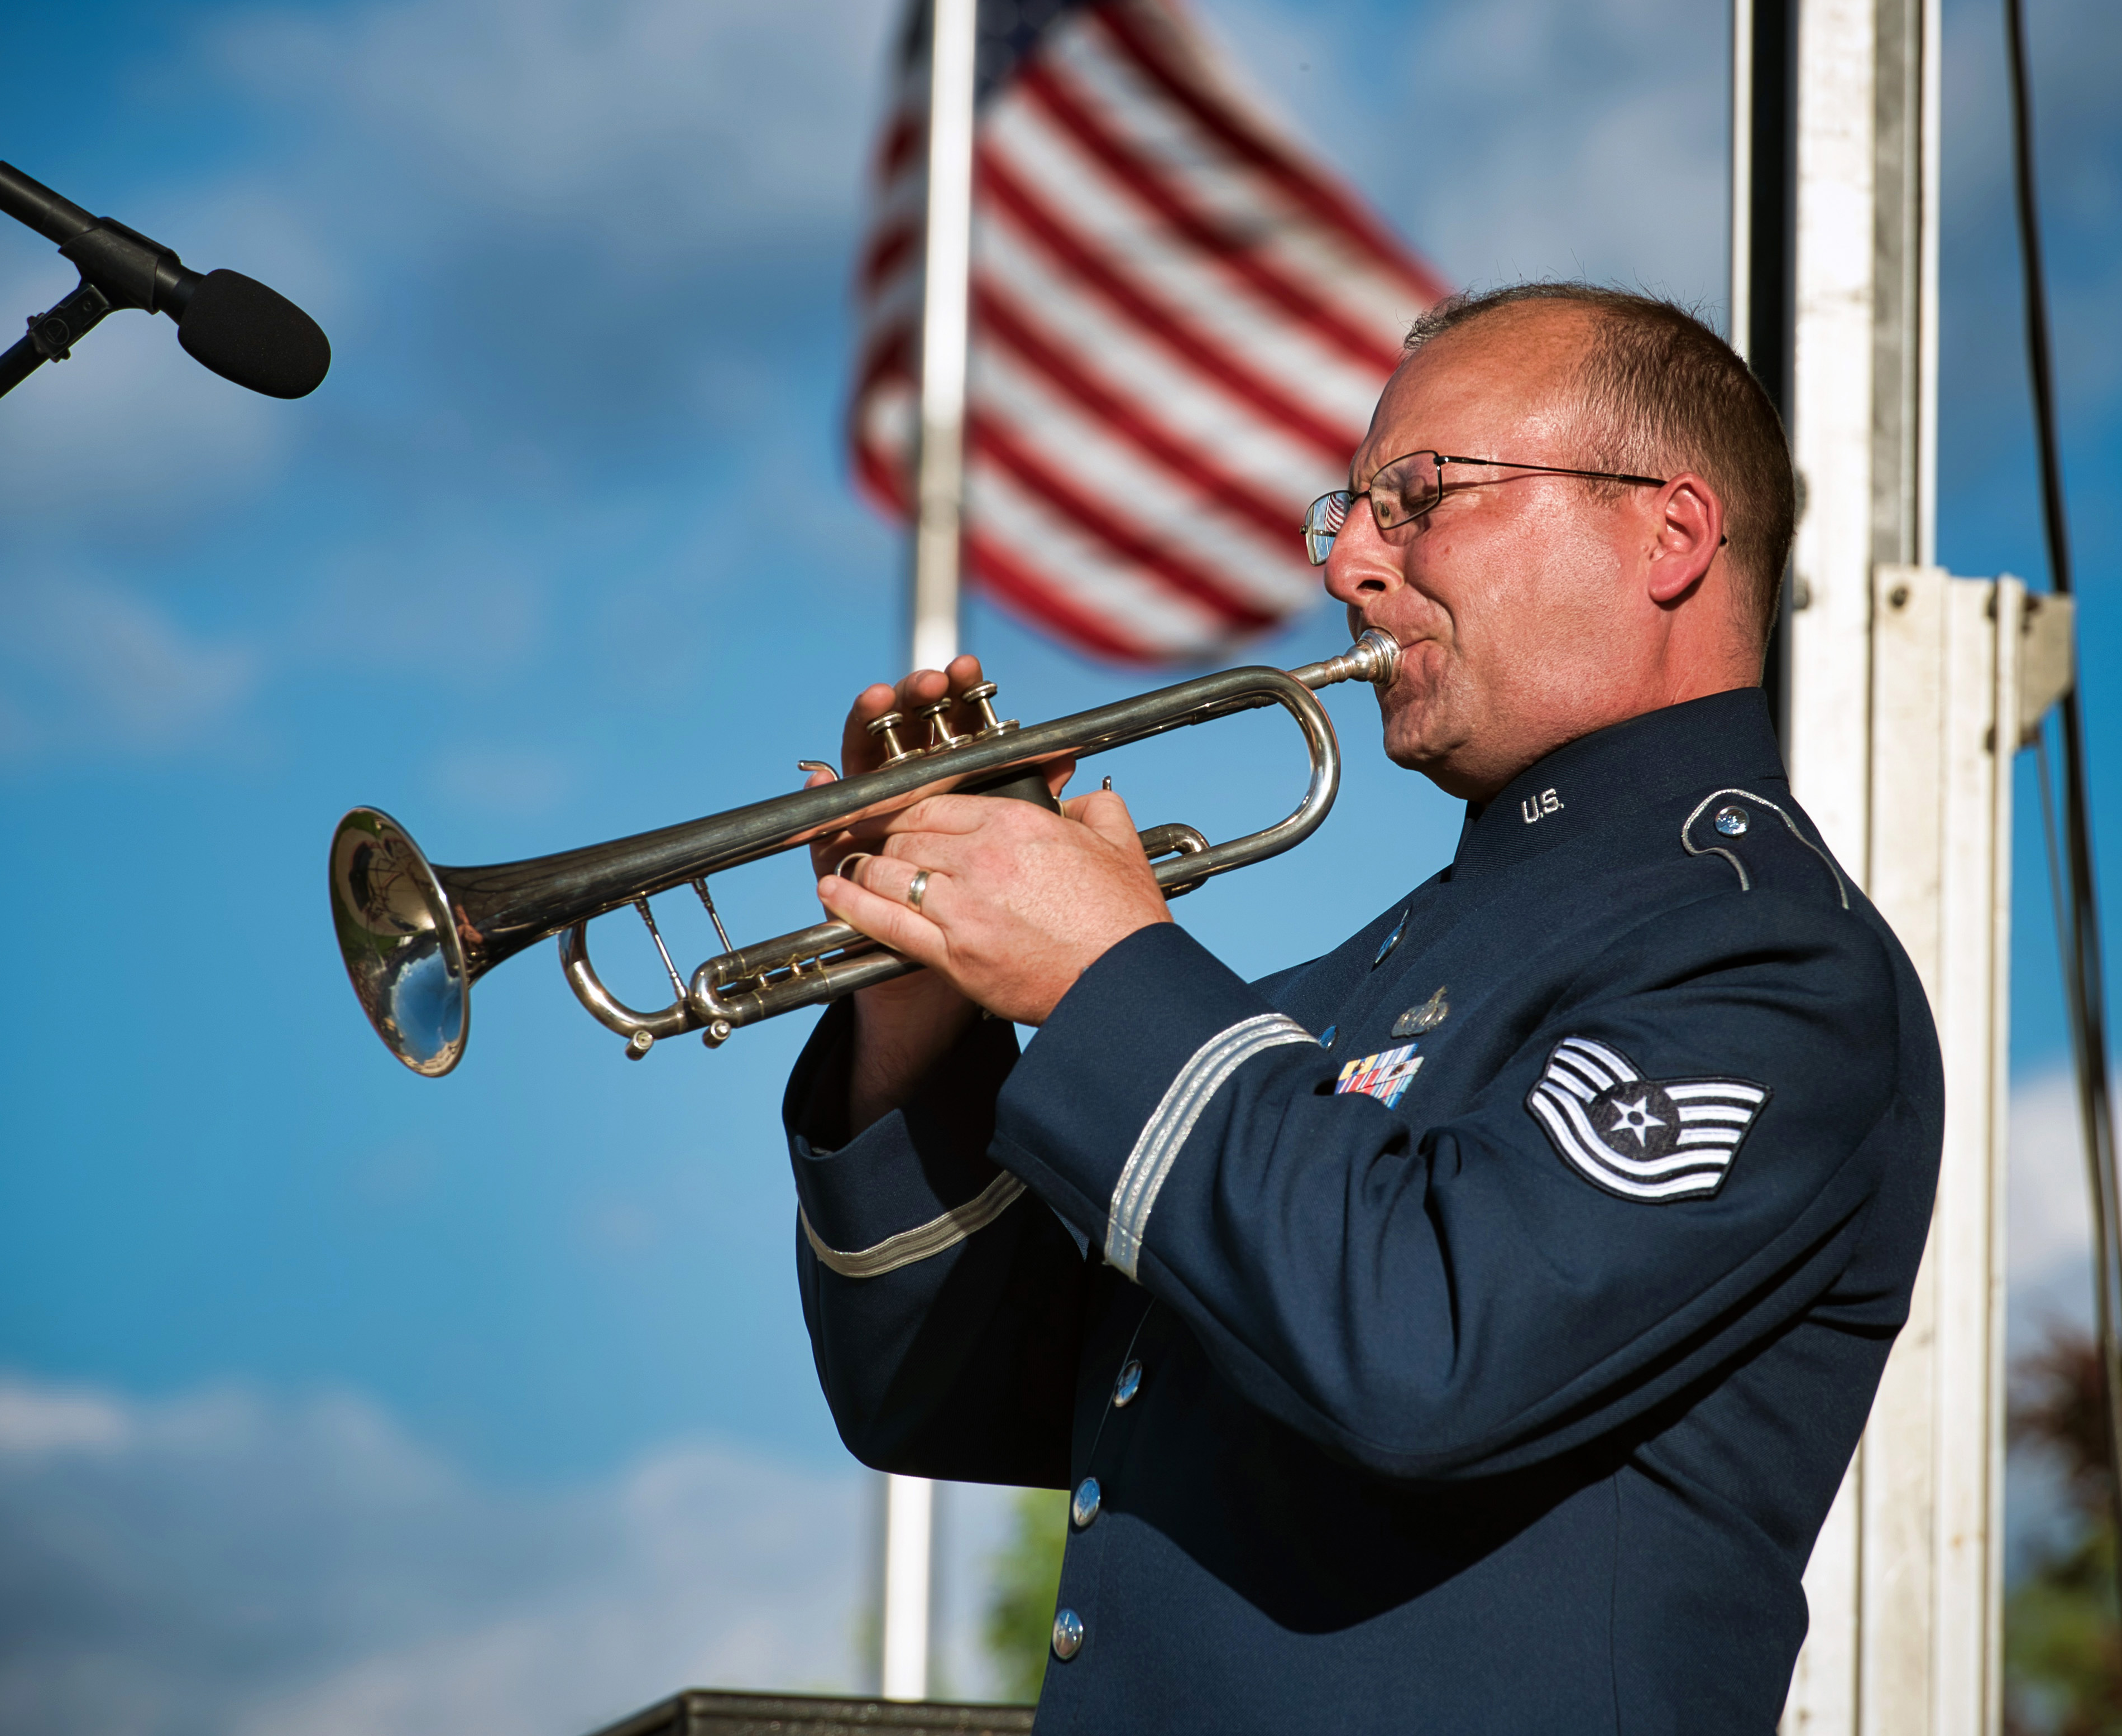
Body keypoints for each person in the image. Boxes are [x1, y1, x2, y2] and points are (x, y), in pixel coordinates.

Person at [781, 283, 1942, 1734]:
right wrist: (921, 999)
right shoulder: (1361, 978)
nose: (1345, 565)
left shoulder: (1767, 954)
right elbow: (951, 1399)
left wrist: (1102, 974)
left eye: (1422, 499)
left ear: (1671, 535)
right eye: (1348, 512)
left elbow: (1428, 1343)